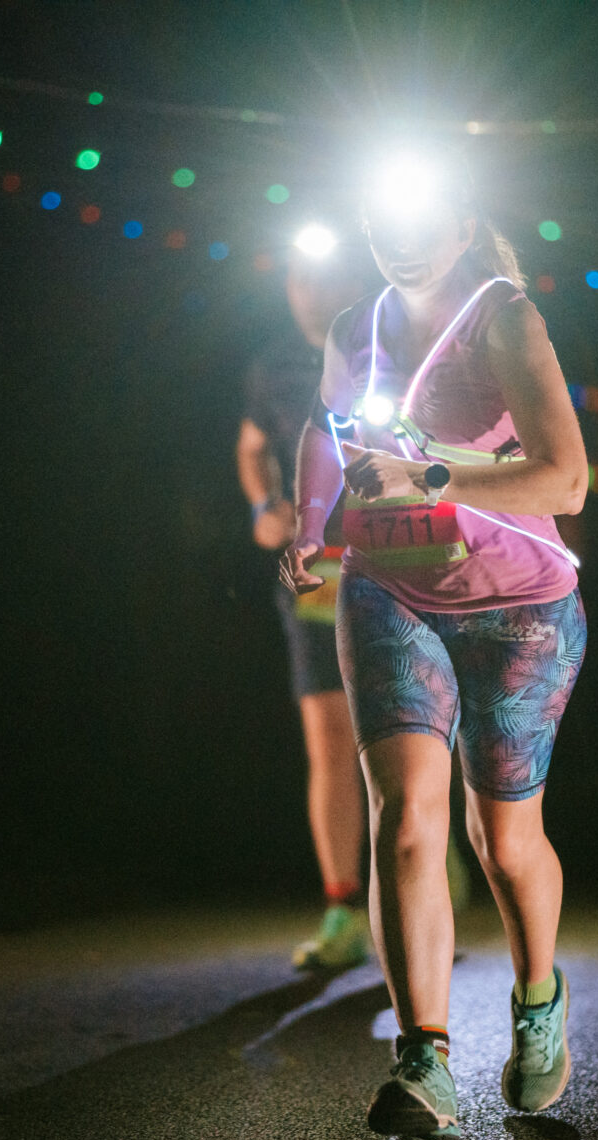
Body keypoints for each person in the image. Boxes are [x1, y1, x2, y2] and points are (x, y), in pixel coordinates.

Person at [280, 155, 588, 1140]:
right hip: (391, 592)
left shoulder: (506, 319)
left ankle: (540, 1001)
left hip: (521, 609)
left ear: (461, 223)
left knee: (501, 842)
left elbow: (567, 478)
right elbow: (328, 436)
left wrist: (434, 476)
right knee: (407, 819)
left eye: (418, 214)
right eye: (380, 211)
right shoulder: (353, 326)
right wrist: (310, 526)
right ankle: (424, 1061)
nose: (395, 231)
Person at [238, 242, 374, 969]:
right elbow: (252, 444)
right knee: (329, 740)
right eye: (296, 279)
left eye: (324, 279)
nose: (308, 293)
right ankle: (343, 909)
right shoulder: (273, 367)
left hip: (399, 566)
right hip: (315, 573)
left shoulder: (397, 348)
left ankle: (429, 864)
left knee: (406, 734)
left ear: (358, 280)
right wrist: (265, 505)